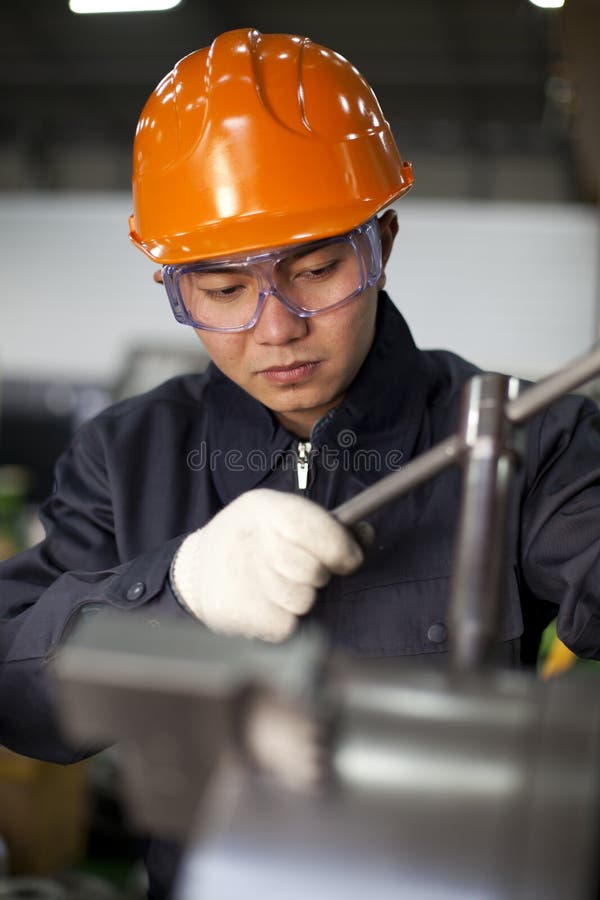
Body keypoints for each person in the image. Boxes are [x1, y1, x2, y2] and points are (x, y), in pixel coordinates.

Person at [1, 26, 599, 899]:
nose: (276, 328)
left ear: (381, 244)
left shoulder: (528, 436)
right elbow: (18, 692)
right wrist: (180, 589)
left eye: (316, 268)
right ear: (171, 285)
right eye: (224, 291)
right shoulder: (127, 454)